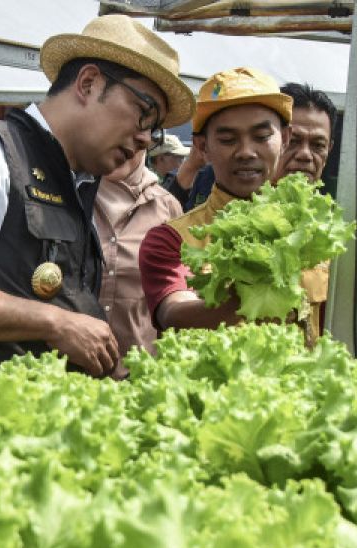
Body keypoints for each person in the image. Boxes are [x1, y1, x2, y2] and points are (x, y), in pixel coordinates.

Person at [0, 15, 193, 383]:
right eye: (143, 113)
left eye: (154, 128)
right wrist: (56, 322)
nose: (145, 139)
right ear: (89, 83)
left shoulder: (76, 185)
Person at [138, 67, 326, 340]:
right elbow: (173, 313)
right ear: (202, 148)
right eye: (227, 140)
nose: (246, 152)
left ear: (284, 139)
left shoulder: (316, 232)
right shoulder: (170, 239)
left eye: (261, 137)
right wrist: (253, 291)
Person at [94, 146, 182, 377]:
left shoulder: (167, 208)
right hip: (69, 377)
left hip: (139, 378)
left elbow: (176, 293)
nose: (121, 144)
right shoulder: (70, 196)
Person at [275, 82, 336, 337]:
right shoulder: (230, 219)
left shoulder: (332, 231)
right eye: (294, 141)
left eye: (317, 145)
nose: (305, 155)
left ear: (329, 150)